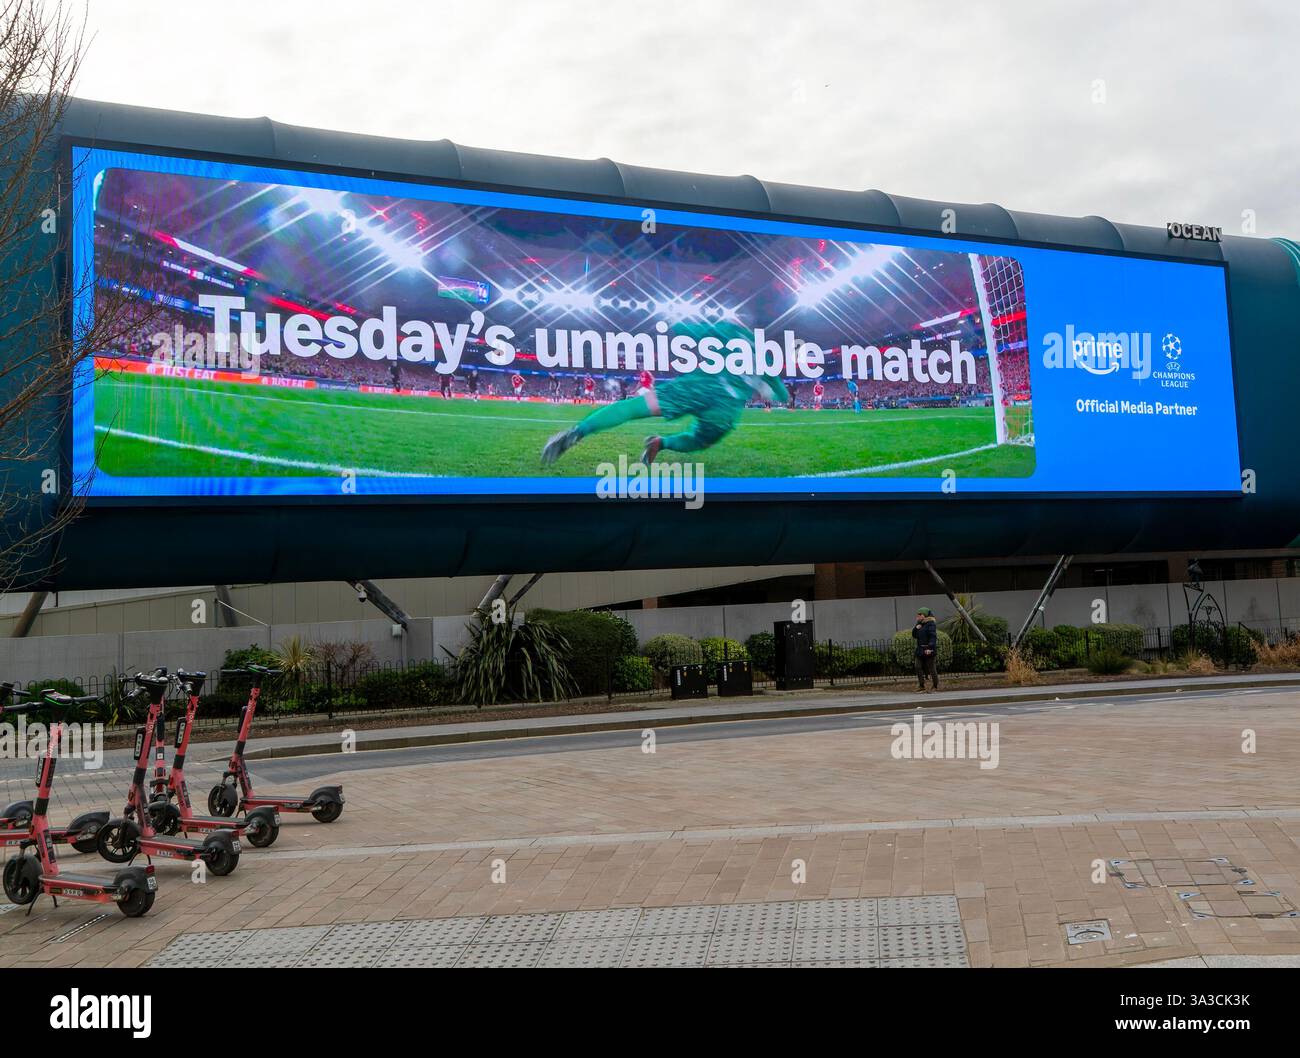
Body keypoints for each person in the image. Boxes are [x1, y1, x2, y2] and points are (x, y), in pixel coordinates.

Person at [912, 607, 939, 692]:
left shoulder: (931, 624)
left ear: (925, 615)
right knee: (917, 666)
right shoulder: (919, 623)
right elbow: (914, 635)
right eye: (918, 614)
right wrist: (916, 628)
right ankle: (921, 685)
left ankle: (935, 686)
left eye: (920, 614)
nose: (918, 616)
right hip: (920, 649)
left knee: (931, 668)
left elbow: (933, 636)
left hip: (928, 649)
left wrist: (930, 648)